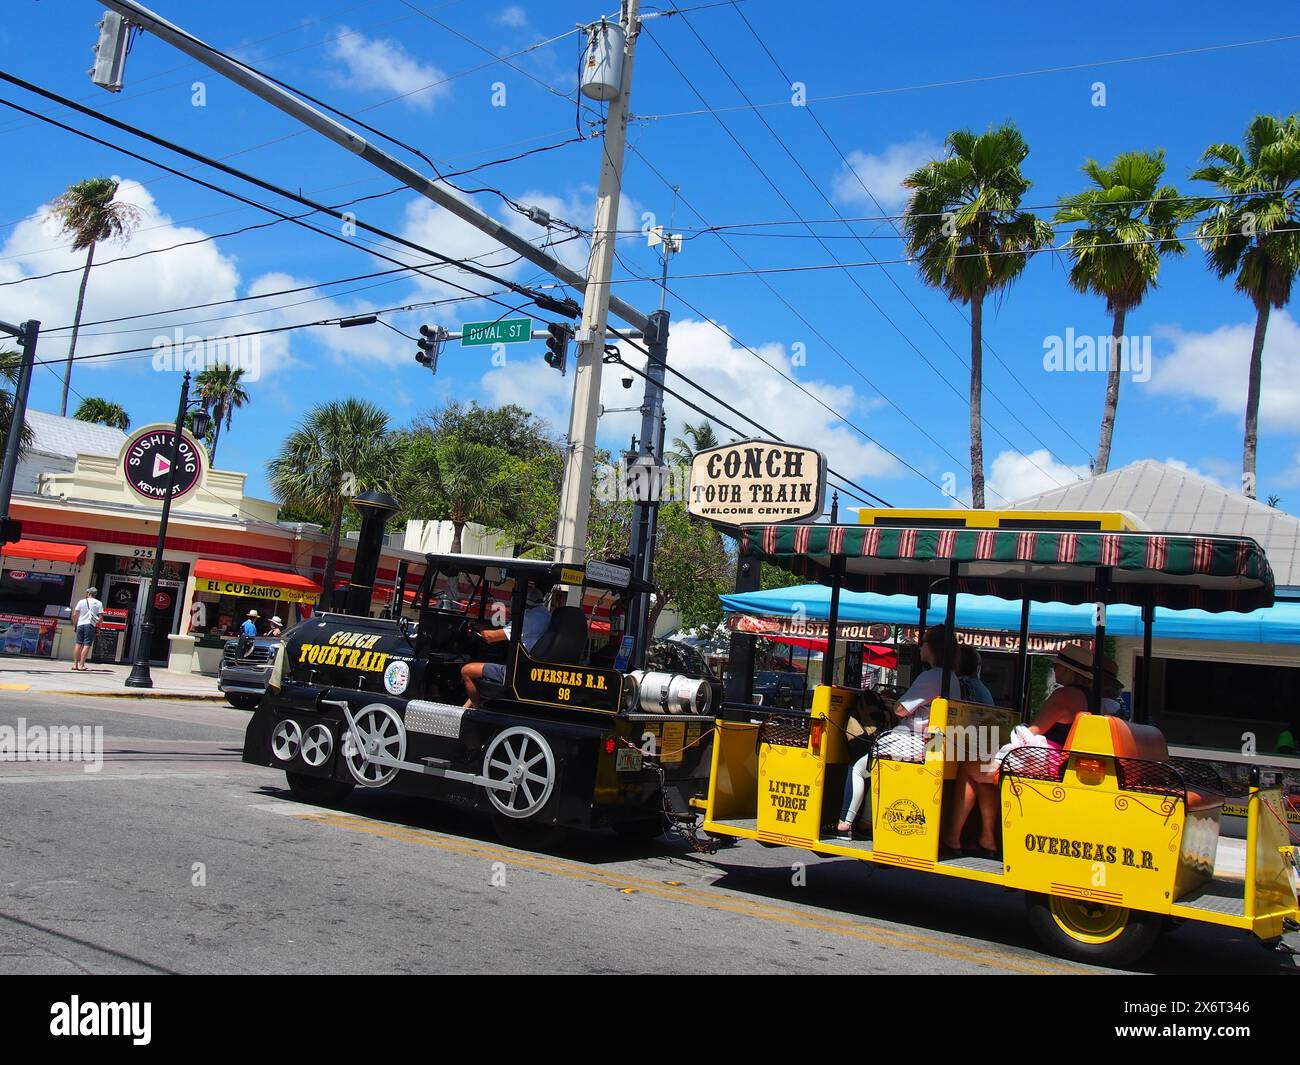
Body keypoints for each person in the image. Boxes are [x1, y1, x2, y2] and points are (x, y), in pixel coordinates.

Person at [941, 641, 1118, 859]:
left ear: (1068, 671)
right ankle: (986, 837)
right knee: (984, 773)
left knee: (969, 768)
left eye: (1057, 667)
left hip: (1047, 762)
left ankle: (953, 836)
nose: (1054, 670)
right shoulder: (1091, 698)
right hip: (1061, 761)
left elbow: (1033, 731)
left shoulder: (1064, 696)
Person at [835, 625, 960, 837]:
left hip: (915, 742)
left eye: (924, 642)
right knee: (875, 765)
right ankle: (865, 822)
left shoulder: (931, 676)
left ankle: (844, 823)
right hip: (934, 743)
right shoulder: (952, 678)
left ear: (933, 648)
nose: (920, 647)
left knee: (858, 767)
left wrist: (894, 702)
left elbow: (901, 710)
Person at [461, 581, 554, 708]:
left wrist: (477, 628)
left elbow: (490, 637)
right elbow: (509, 632)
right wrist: (483, 627)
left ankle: (477, 712)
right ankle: (465, 709)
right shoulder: (544, 614)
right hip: (530, 667)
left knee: (467, 670)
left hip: (517, 672)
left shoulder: (527, 619)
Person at [71, 585, 103, 672]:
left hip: (80, 624)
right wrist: (98, 627)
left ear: (88, 593)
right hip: (90, 625)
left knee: (78, 644)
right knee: (87, 645)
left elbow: (74, 614)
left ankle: (75, 664)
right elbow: (100, 617)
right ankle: (81, 665)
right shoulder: (99, 603)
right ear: (95, 594)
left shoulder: (81, 602)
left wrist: (75, 625)